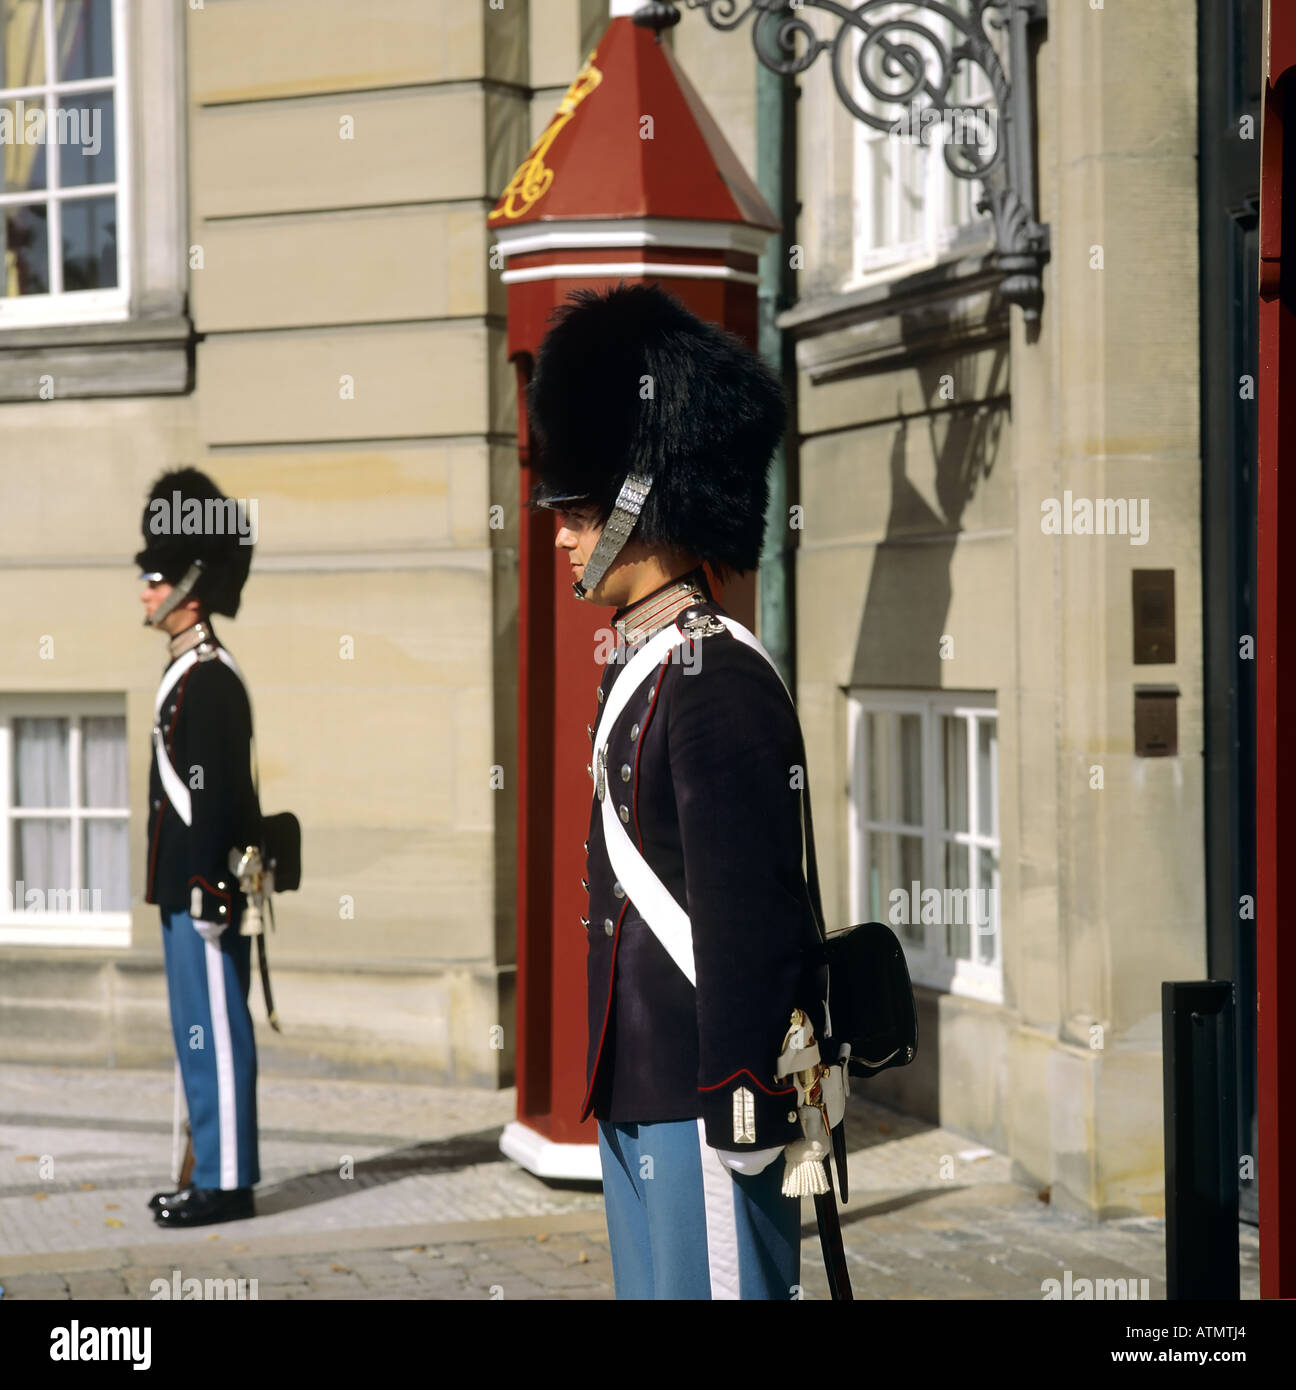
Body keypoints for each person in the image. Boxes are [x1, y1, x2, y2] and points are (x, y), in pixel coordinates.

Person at [526, 282, 828, 1299]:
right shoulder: (650, 665)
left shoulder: (718, 677)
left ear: (634, 506)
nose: (562, 536)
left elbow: (749, 917)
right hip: (640, 1089)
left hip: (707, 1102)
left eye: (574, 512)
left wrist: (741, 1099)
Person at [135, 468, 261, 1227]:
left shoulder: (210, 677)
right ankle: (202, 1168)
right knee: (196, 1034)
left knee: (217, 1032)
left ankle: (228, 1181)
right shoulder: (186, 669)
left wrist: (209, 884)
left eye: (155, 578)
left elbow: (216, 799)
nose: (145, 592)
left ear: (188, 584)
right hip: (181, 887)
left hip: (203, 889)